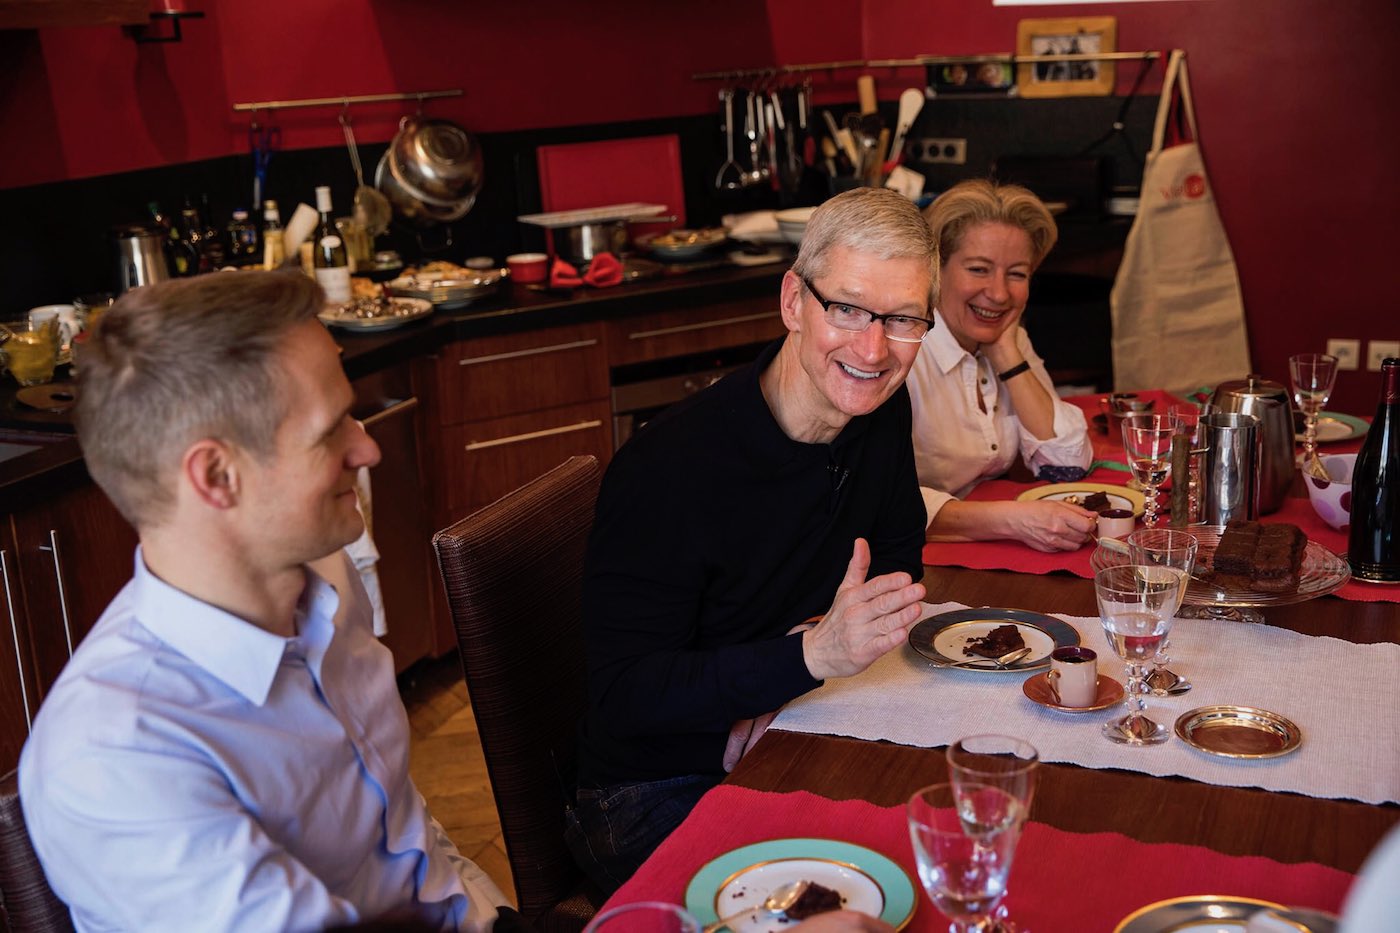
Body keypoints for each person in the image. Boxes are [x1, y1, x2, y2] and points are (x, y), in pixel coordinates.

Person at [18, 272, 509, 932]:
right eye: (331, 430)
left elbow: (399, 827)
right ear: (217, 476)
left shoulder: (323, 567)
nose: (367, 448)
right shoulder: (118, 755)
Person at [566, 187, 933, 894]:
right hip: (650, 790)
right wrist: (809, 655)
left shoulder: (879, 411)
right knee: (870, 892)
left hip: (794, 727)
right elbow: (624, 694)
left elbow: (896, 559)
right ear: (794, 300)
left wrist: (793, 676)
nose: (874, 347)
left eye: (904, 318)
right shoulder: (668, 468)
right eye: (848, 308)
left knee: (941, 837)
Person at [906, 179, 1095, 553]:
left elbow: (1067, 467)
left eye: (1017, 274)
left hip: (975, 546)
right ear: (935, 269)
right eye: (978, 269)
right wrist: (1011, 520)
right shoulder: (901, 350)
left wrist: (1007, 355)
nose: (998, 293)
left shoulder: (1005, 336)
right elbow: (878, 502)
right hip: (908, 557)